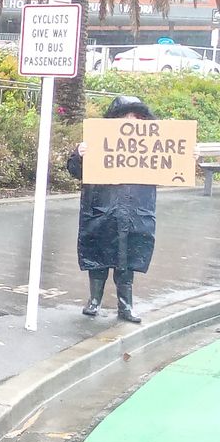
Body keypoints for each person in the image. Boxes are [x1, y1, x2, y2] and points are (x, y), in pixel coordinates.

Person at [67, 95, 159, 323]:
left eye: (136, 117)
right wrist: (79, 154)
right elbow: (75, 171)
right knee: (98, 256)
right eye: (126, 117)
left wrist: (189, 158)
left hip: (135, 211)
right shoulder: (96, 143)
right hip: (102, 208)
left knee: (128, 260)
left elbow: (169, 167)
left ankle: (125, 307)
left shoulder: (150, 146)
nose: (131, 122)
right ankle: (94, 300)